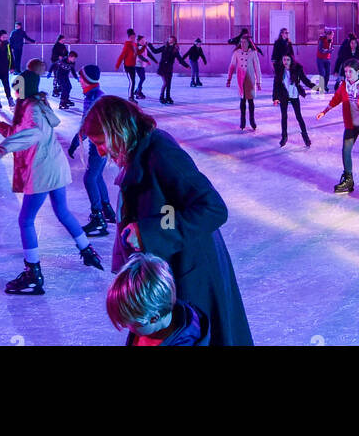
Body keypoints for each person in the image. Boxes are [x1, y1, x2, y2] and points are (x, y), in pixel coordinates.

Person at [83, 96, 253, 345]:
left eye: (101, 142)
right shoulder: (138, 152)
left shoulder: (161, 152)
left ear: (117, 130)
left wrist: (148, 233)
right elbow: (165, 210)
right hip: (164, 278)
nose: (100, 151)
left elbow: (213, 208)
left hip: (189, 276)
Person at [0, 71, 103, 294]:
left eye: (17, 87)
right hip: (55, 165)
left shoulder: (30, 108)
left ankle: (33, 274)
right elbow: (28, 130)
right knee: (62, 211)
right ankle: (87, 250)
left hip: (42, 169)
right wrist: (4, 129)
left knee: (26, 220)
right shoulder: (39, 105)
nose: (15, 91)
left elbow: (32, 134)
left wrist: (7, 145)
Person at [107, 253, 210, 347]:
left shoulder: (186, 341)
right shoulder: (146, 318)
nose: (126, 326)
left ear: (154, 318)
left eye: (131, 324)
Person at [317, 58, 359, 197]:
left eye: (350, 71)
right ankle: (348, 180)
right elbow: (336, 98)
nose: (347, 74)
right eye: (345, 71)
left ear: (358, 72)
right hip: (351, 125)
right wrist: (325, 110)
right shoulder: (345, 85)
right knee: (346, 150)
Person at [67, 64, 114, 237]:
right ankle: (107, 210)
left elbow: (87, 124)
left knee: (89, 178)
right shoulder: (97, 94)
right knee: (97, 176)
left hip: (99, 144)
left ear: (87, 79)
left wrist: (75, 142)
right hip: (104, 142)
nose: (79, 80)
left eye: (81, 77)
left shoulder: (93, 97)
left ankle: (98, 219)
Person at [272, 53, 314, 148]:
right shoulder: (279, 71)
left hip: (294, 94)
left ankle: (305, 136)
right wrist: (275, 98)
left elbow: (305, 80)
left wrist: (315, 87)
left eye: (288, 60)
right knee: (284, 116)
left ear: (291, 61)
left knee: (299, 116)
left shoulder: (297, 69)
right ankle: (284, 136)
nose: (286, 62)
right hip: (284, 95)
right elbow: (276, 85)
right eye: (284, 60)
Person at [225, 35, 263, 131]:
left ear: (248, 43)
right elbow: (232, 66)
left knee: (250, 101)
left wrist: (258, 82)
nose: (242, 44)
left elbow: (257, 68)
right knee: (242, 101)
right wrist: (228, 79)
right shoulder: (236, 53)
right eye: (241, 42)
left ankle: (252, 121)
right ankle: (242, 122)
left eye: (244, 42)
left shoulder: (253, 53)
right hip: (241, 79)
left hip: (250, 79)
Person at [148, 35, 189, 105]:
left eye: (171, 39)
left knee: (169, 84)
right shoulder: (164, 47)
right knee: (165, 83)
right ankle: (161, 97)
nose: (169, 40)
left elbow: (180, 59)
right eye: (169, 39)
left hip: (169, 68)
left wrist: (186, 65)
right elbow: (155, 51)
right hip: (163, 67)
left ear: (174, 41)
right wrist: (149, 45)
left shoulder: (175, 49)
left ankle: (168, 97)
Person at [115, 28, 139, 100]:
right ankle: (130, 97)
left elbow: (138, 53)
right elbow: (121, 56)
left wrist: (144, 46)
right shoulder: (127, 46)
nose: (133, 38)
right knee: (132, 82)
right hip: (128, 67)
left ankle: (131, 96)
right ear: (129, 38)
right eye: (132, 37)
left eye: (134, 37)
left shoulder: (134, 45)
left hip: (133, 66)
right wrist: (117, 65)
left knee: (133, 81)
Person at [134, 35, 153, 99]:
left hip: (141, 65)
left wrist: (155, 61)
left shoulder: (144, 47)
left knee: (142, 78)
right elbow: (140, 56)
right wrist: (147, 61)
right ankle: (138, 92)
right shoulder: (138, 47)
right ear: (138, 41)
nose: (143, 42)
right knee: (142, 78)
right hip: (137, 65)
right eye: (142, 41)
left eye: (144, 40)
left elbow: (149, 54)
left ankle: (137, 90)